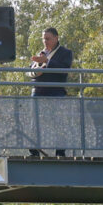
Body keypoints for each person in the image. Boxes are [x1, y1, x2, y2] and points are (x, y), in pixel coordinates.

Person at [28, 26, 73, 157]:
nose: (45, 41)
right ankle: (33, 151)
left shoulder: (65, 53)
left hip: (56, 91)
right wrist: (36, 69)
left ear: (56, 37)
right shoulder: (42, 52)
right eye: (43, 39)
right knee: (35, 122)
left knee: (59, 122)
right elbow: (30, 69)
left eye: (48, 39)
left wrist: (47, 61)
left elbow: (64, 69)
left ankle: (60, 152)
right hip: (38, 90)